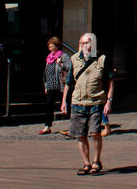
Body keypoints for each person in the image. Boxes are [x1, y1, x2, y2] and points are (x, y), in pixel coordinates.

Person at [61, 32, 114, 174]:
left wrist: (109, 101)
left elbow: (110, 81)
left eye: (87, 42)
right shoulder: (74, 59)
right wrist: (64, 101)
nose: (84, 46)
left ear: (94, 44)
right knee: (80, 135)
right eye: (82, 43)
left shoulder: (102, 59)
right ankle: (86, 163)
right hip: (77, 102)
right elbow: (69, 82)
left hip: (96, 101)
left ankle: (96, 161)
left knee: (95, 133)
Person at [41, 37, 68, 135]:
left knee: (66, 104)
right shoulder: (48, 57)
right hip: (50, 85)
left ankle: (75, 125)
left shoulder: (63, 56)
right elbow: (46, 72)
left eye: (51, 45)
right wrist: (45, 85)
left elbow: (69, 67)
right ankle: (47, 126)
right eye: (49, 45)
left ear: (56, 46)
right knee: (48, 105)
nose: (49, 47)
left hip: (60, 85)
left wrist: (61, 64)